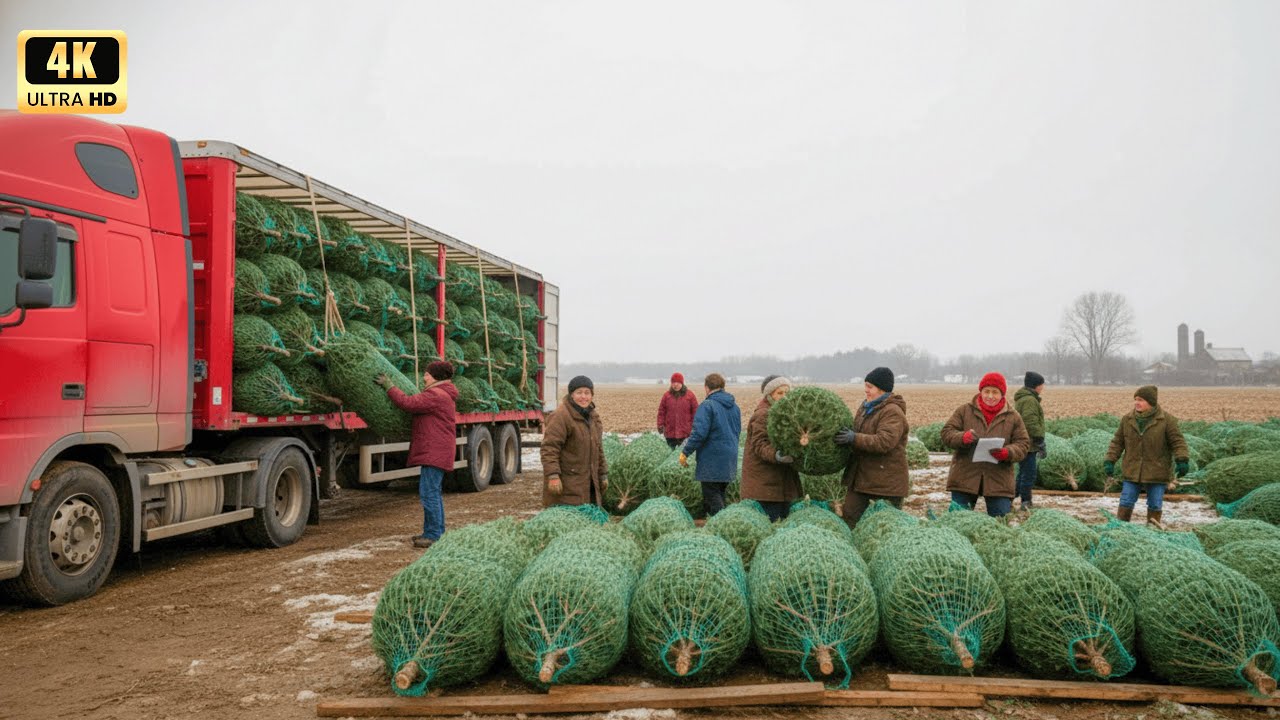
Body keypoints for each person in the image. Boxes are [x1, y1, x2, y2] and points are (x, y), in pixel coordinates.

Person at [378, 361, 459, 549]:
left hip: (434, 451)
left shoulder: (436, 395)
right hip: (437, 450)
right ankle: (432, 531)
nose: (424, 377)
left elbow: (408, 403)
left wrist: (389, 386)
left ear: (436, 376)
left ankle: (433, 535)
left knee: (429, 493)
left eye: (427, 374)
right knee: (432, 493)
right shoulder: (442, 394)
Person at [941, 372, 1032, 518]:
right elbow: (946, 433)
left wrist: (1007, 452)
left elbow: (1023, 443)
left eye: (995, 392)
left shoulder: (1013, 416)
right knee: (958, 522)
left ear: (1002, 394)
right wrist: (962, 437)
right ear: (981, 391)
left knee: (1000, 525)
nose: (990, 396)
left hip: (999, 480)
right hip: (965, 477)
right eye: (986, 391)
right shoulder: (965, 411)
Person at [1104, 385, 1190, 527]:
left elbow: (1178, 442)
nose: (1136, 403)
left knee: (1155, 505)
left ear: (1151, 402)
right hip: (1132, 470)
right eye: (1135, 399)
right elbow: (1117, 442)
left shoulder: (1167, 421)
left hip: (1157, 471)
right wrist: (1110, 460)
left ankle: (1153, 531)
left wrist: (1182, 459)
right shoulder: (1127, 419)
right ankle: (1120, 530)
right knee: (1126, 501)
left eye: (1141, 400)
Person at [834, 366, 909, 527]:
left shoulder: (892, 412)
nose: (865, 390)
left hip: (885, 484)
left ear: (882, 389)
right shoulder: (866, 407)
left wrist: (854, 438)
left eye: (870, 387)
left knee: (882, 527)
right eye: (865, 385)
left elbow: (885, 441)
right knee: (850, 521)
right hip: (861, 479)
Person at [679, 373, 742, 517]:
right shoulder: (735, 407)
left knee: (712, 495)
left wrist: (685, 452)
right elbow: (737, 431)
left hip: (712, 458)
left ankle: (722, 525)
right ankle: (716, 524)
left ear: (706, 388)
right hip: (729, 457)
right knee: (720, 493)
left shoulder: (707, 405)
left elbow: (699, 433)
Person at [740, 375, 801, 521]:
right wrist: (777, 455)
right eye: (780, 393)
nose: (785, 397)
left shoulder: (784, 413)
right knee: (771, 522)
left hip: (779, 481)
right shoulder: (763, 414)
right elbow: (760, 444)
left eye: (787, 392)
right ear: (769, 395)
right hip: (765, 483)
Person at [541, 375, 608, 508]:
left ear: (592, 395)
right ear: (571, 395)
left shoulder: (593, 418)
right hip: (567, 484)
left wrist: (603, 473)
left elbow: (598, 448)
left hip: (588, 484)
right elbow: (549, 448)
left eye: (587, 393)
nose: (583, 397)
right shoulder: (561, 416)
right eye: (579, 393)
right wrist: (553, 475)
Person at [1013, 371, 1048, 511]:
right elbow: (1030, 422)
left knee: (1023, 472)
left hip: (1024, 442)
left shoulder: (1025, 398)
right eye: (1042, 384)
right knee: (1029, 473)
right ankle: (1026, 501)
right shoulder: (1029, 400)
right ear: (1036, 386)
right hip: (1028, 443)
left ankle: (1009, 497)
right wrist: (1039, 440)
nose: (1043, 387)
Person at [657, 372, 699, 449]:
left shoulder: (690, 395)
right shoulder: (666, 396)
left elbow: (696, 412)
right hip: (670, 433)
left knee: (682, 457)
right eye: (673, 382)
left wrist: (695, 427)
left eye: (678, 382)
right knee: (669, 457)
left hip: (685, 433)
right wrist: (660, 424)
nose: (675, 385)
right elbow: (661, 412)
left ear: (682, 383)